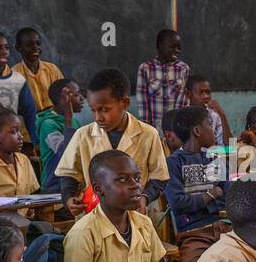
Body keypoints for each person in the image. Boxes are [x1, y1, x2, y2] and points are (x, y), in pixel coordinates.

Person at [55, 68, 170, 218]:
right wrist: (69, 198)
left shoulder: (148, 134)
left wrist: (145, 197)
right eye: (93, 110)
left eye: (104, 110)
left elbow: (159, 177)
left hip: (135, 214)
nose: (98, 117)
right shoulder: (83, 135)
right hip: (95, 215)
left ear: (125, 103)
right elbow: (68, 174)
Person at [62, 151, 169, 262]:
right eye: (123, 180)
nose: (135, 185)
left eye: (137, 178)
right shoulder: (83, 233)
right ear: (98, 189)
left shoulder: (144, 223)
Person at [165, 106, 230, 262]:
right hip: (193, 233)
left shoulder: (214, 159)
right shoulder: (173, 163)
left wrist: (200, 202)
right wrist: (210, 195)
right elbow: (178, 204)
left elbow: (228, 195)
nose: (214, 130)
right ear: (197, 131)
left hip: (224, 227)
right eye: (210, 124)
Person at [136, 28, 191, 132]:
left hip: (176, 129)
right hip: (153, 129)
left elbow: (183, 102)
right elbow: (143, 103)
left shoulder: (183, 69)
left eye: (179, 47)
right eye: (172, 47)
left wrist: (177, 128)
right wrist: (148, 131)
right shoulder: (146, 68)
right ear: (160, 46)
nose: (177, 50)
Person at [35, 78, 83, 192]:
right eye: (76, 95)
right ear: (63, 100)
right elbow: (66, 154)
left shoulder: (74, 122)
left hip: (73, 184)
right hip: (54, 187)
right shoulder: (48, 124)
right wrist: (68, 118)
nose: (82, 98)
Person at [12, 26, 65, 113]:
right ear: (18, 48)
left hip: (54, 117)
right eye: (29, 45)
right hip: (30, 120)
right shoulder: (14, 75)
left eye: (38, 43)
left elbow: (64, 97)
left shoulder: (52, 69)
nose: (35, 47)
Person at [186, 74, 232, 148]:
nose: (206, 97)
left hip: (211, 157)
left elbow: (230, 148)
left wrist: (222, 115)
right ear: (188, 94)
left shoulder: (215, 115)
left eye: (208, 92)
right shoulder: (182, 116)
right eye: (201, 92)